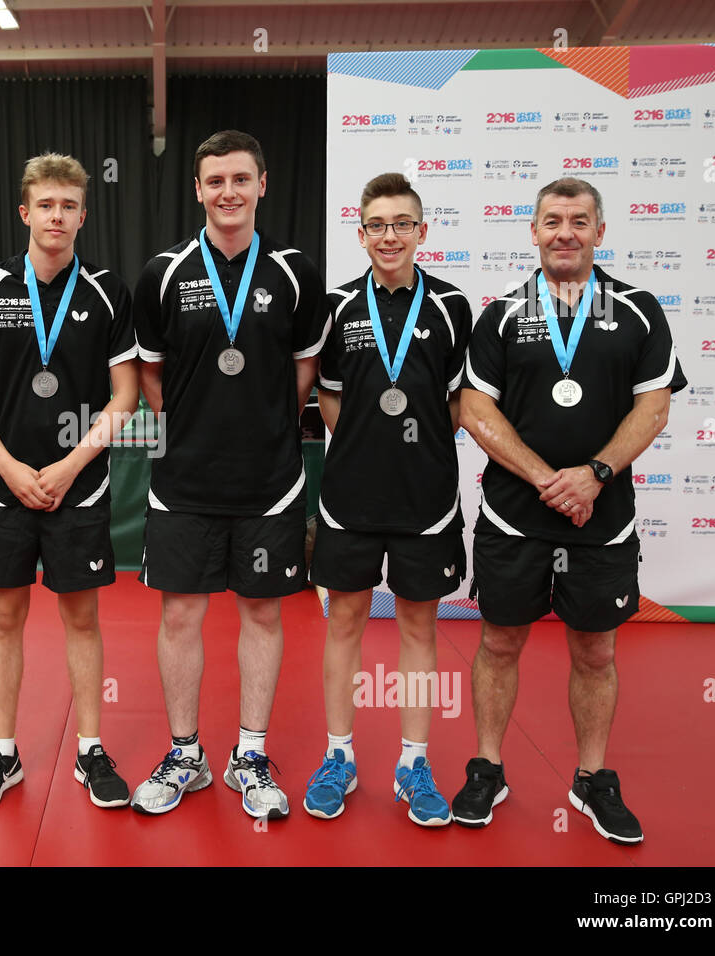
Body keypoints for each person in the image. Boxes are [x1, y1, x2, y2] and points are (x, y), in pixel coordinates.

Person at [456, 177, 686, 843]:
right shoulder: (500, 314)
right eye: (552, 220)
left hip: (603, 519)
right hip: (512, 518)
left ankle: (592, 779)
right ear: (532, 231)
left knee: (595, 649)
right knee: (499, 641)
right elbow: (475, 408)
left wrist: (595, 475)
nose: (564, 232)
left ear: (599, 232)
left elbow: (655, 405)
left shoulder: (640, 312)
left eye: (578, 221)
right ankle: (488, 767)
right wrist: (546, 480)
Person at [130, 130, 326, 819]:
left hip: (270, 480)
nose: (228, 192)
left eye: (240, 179)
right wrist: (187, 428)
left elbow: (305, 365)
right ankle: (187, 753)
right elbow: (150, 370)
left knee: (261, 612)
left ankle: (250, 754)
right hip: (183, 479)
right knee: (180, 613)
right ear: (198, 189)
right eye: (215, 181)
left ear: (262, 185)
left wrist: (270, 422)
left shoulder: (296, 271)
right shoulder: (164, 272)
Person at [0, 153, 139, 810]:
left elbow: (125, 396)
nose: (56, 216)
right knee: (4, 616)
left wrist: (67, 466)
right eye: (45, 205)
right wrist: (6, 465)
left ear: (83, 215)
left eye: (68, 206)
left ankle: (90, 748)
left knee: (82, 616)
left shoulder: (108, 291)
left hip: (76, 484)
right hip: (3, 485)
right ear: (25, 212)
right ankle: (4, 753)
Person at [304, 173, 471, 826]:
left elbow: (458, 405)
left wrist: (414, 447)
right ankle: (338, 756)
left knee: (417, 628)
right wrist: (371, 450)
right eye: (377, 224)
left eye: (402, 223)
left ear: (422, 232)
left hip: (426, 502)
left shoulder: (453, 307)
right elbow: (332, 400)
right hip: (350, 500)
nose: (390, 235)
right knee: (343, 623)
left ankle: (413, 762)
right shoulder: (339, 308)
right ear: (362, 234)